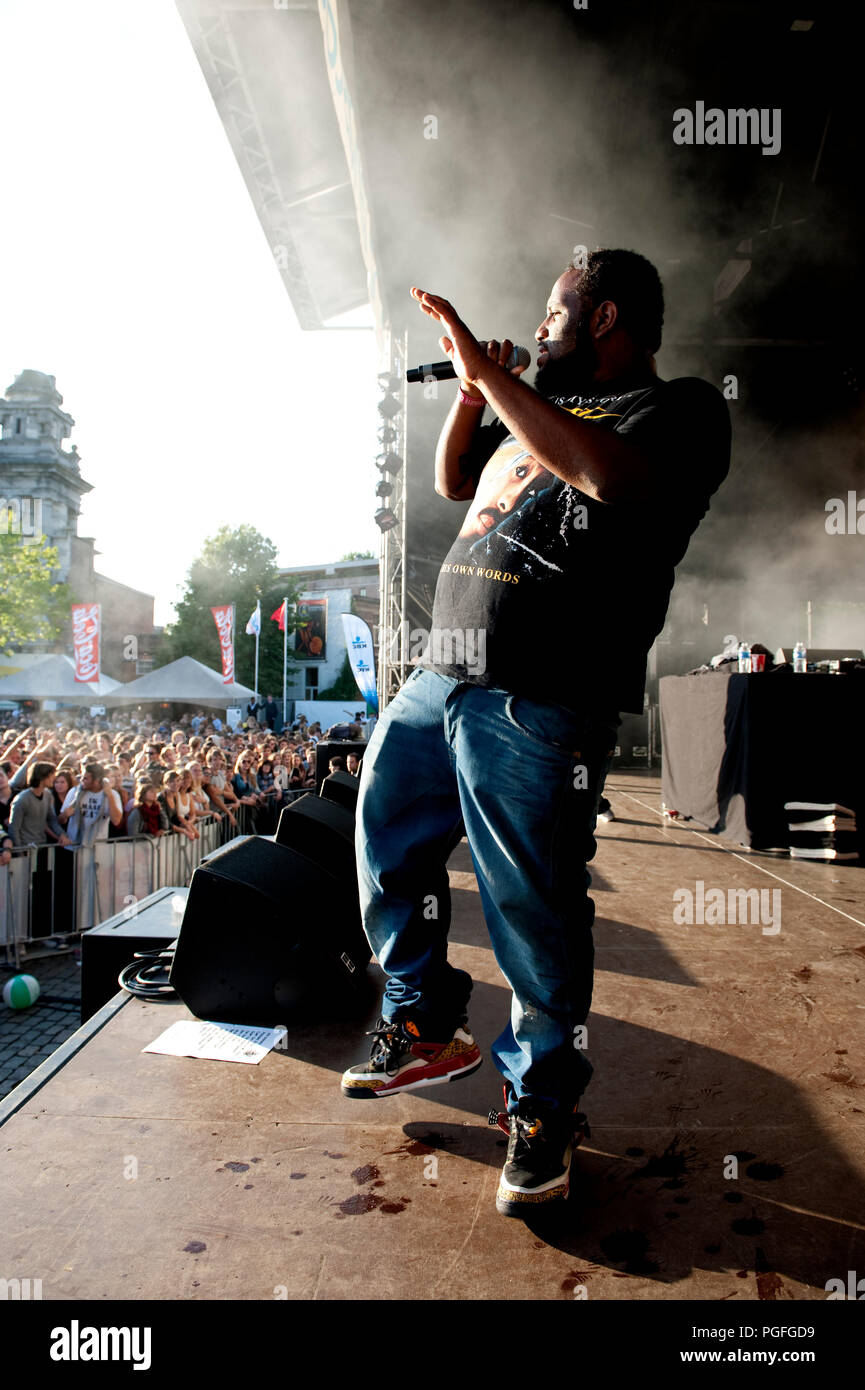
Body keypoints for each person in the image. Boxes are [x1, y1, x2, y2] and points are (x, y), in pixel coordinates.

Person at [341, 249, 731, 1218]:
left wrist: (498, 374)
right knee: (384, 839)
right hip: (445, 671)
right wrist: (476, 396)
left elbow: (602, 479)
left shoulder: (675, 411)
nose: (540, 327)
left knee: (532, 903)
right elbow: (447, 482)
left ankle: (544, 1100)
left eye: (555, 314)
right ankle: (426, 1017)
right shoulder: (526, 403)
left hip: (543, 693)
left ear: (605, 318)